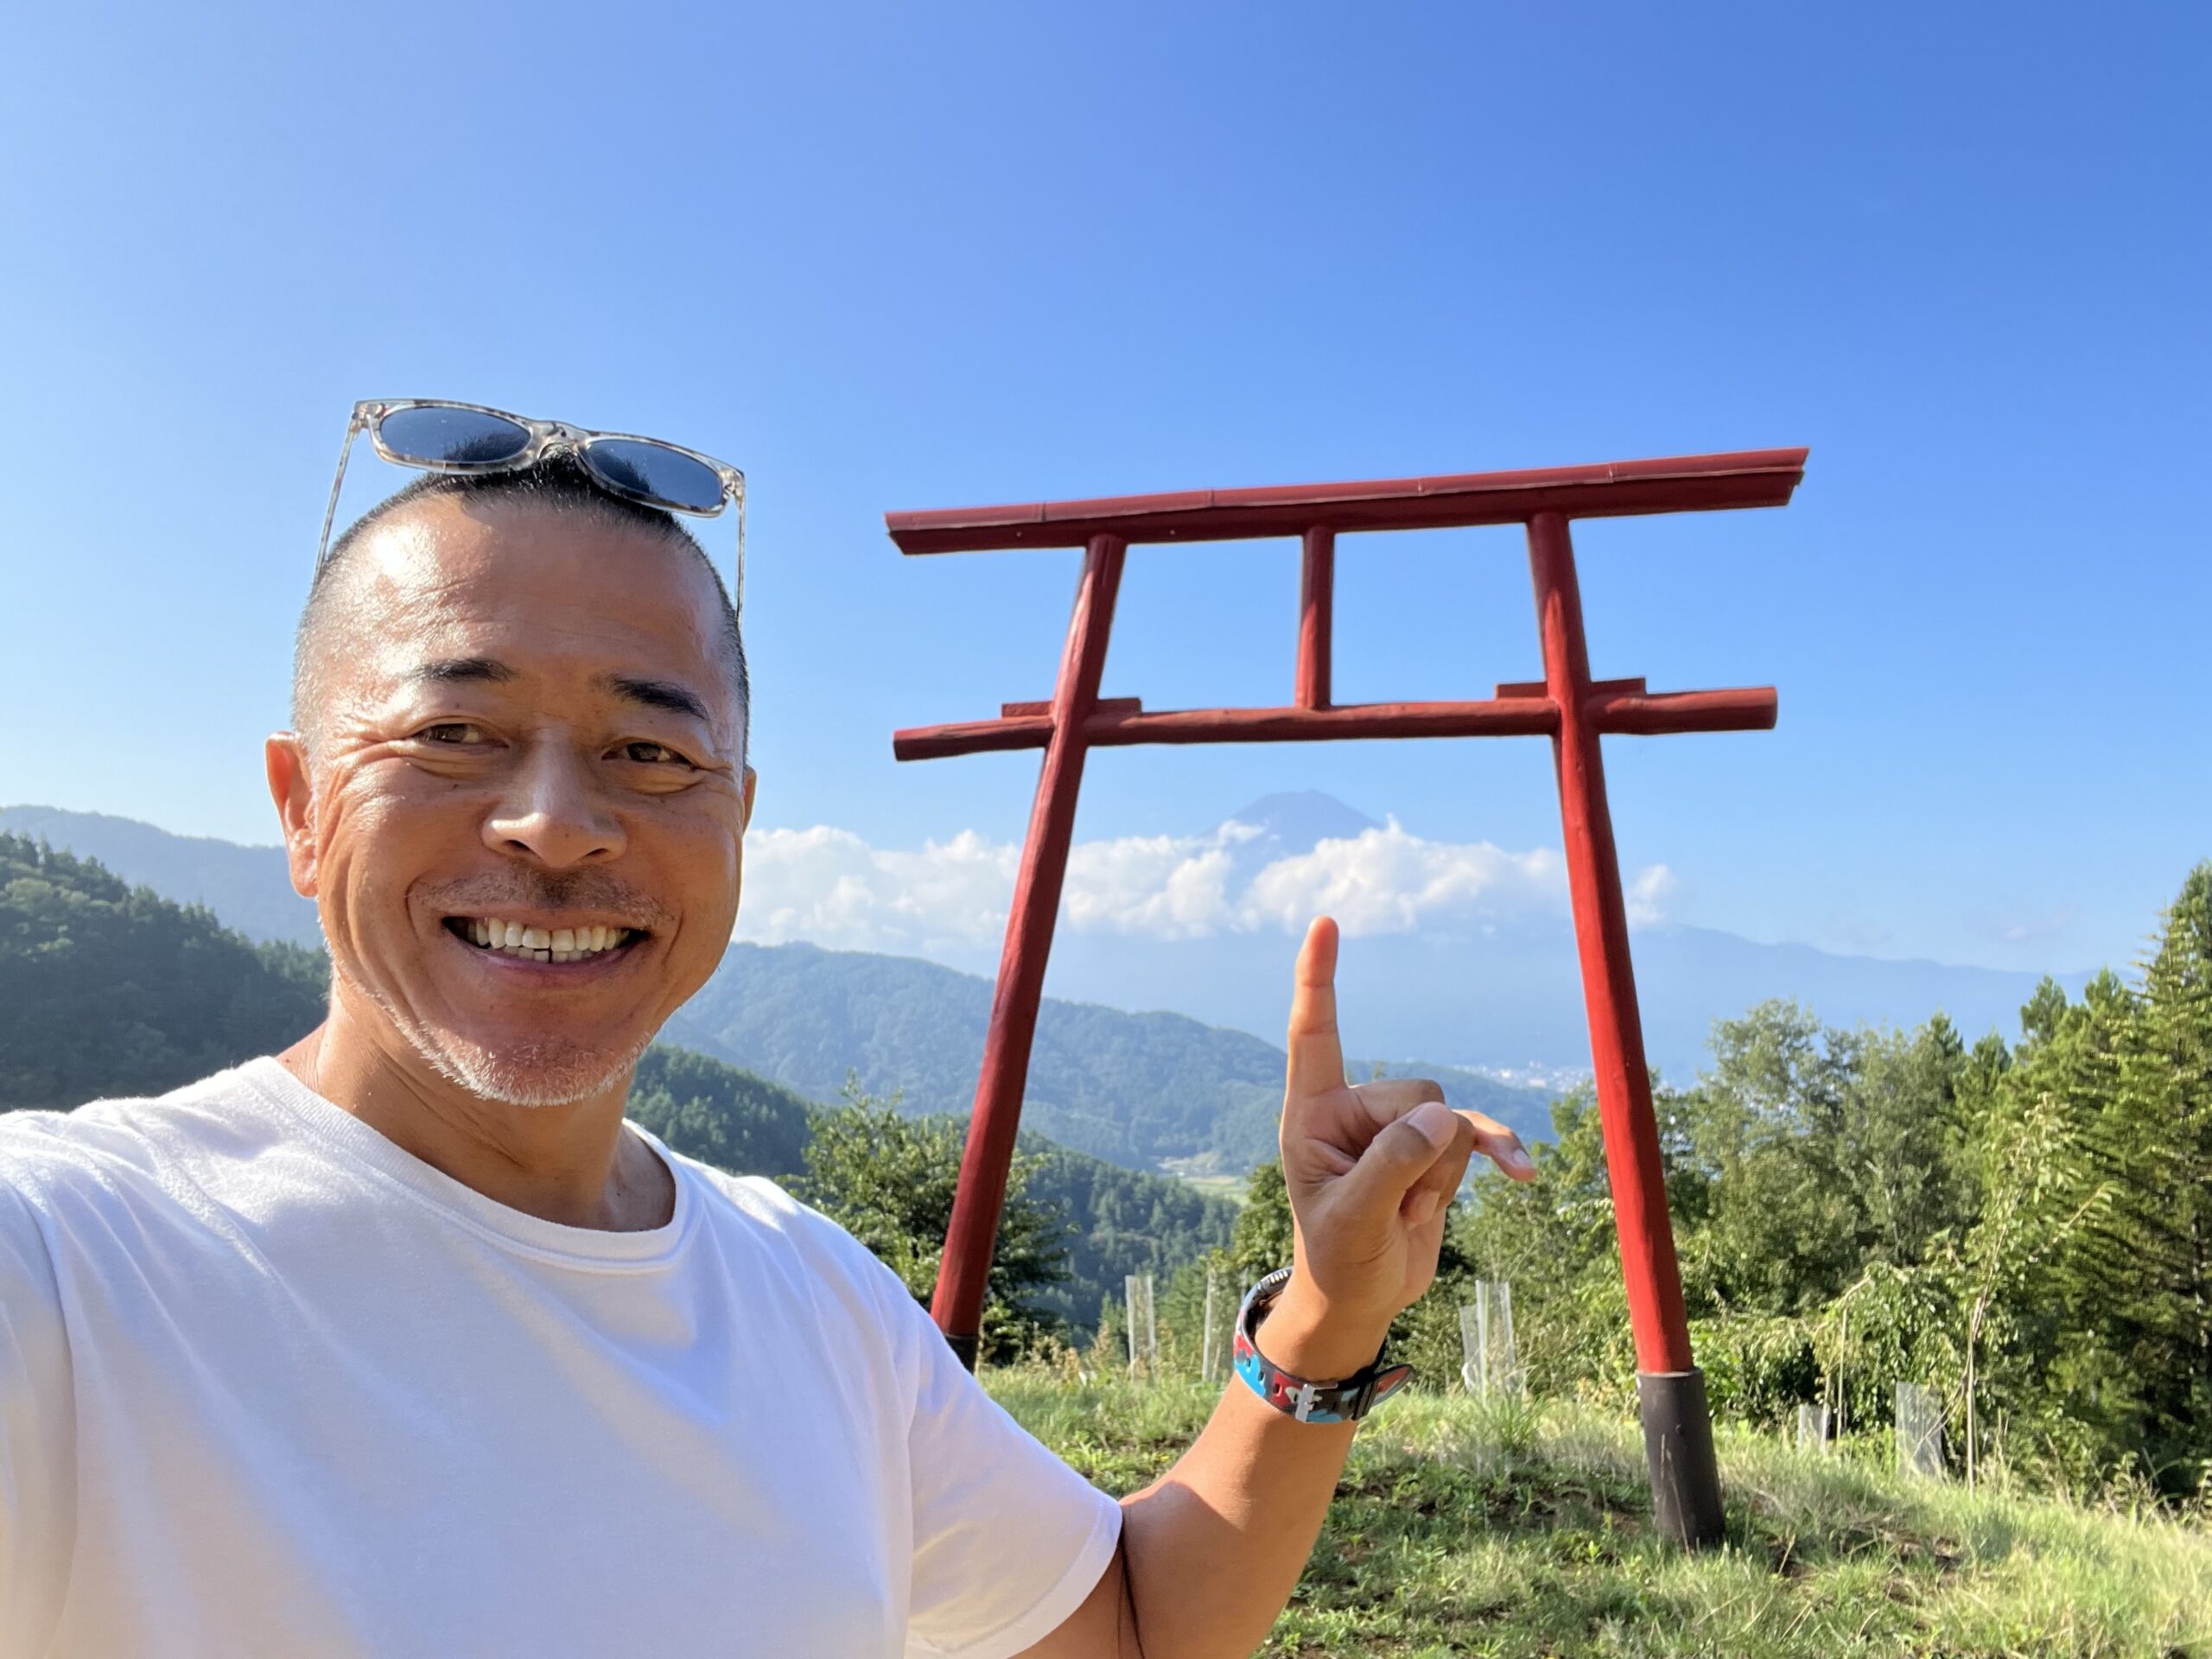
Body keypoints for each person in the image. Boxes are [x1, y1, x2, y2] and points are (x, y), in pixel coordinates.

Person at [0, 403, 1535, 1659]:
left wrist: (1325, 1321)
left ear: (739, 821)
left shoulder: (811, 1299)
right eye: (454, 732)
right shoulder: (76, 1262)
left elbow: (1130, 1625)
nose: (555, 824)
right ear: (299, 804)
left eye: (647, 751)